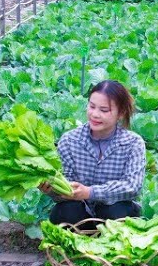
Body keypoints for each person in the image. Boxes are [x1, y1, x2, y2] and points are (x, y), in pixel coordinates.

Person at [46, 80, 147, 226]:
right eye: (92, 106)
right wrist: (51, 190)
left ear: (121, 113)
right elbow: (64, 189)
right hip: (79, 213)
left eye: (104, 110)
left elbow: (132, 187)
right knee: (67, 211)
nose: (95, 114)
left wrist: (90, 192)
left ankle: (112, 246)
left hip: (115, 215)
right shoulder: (69, 140)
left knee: (116, 211)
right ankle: (77, 245)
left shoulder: (133, 143)